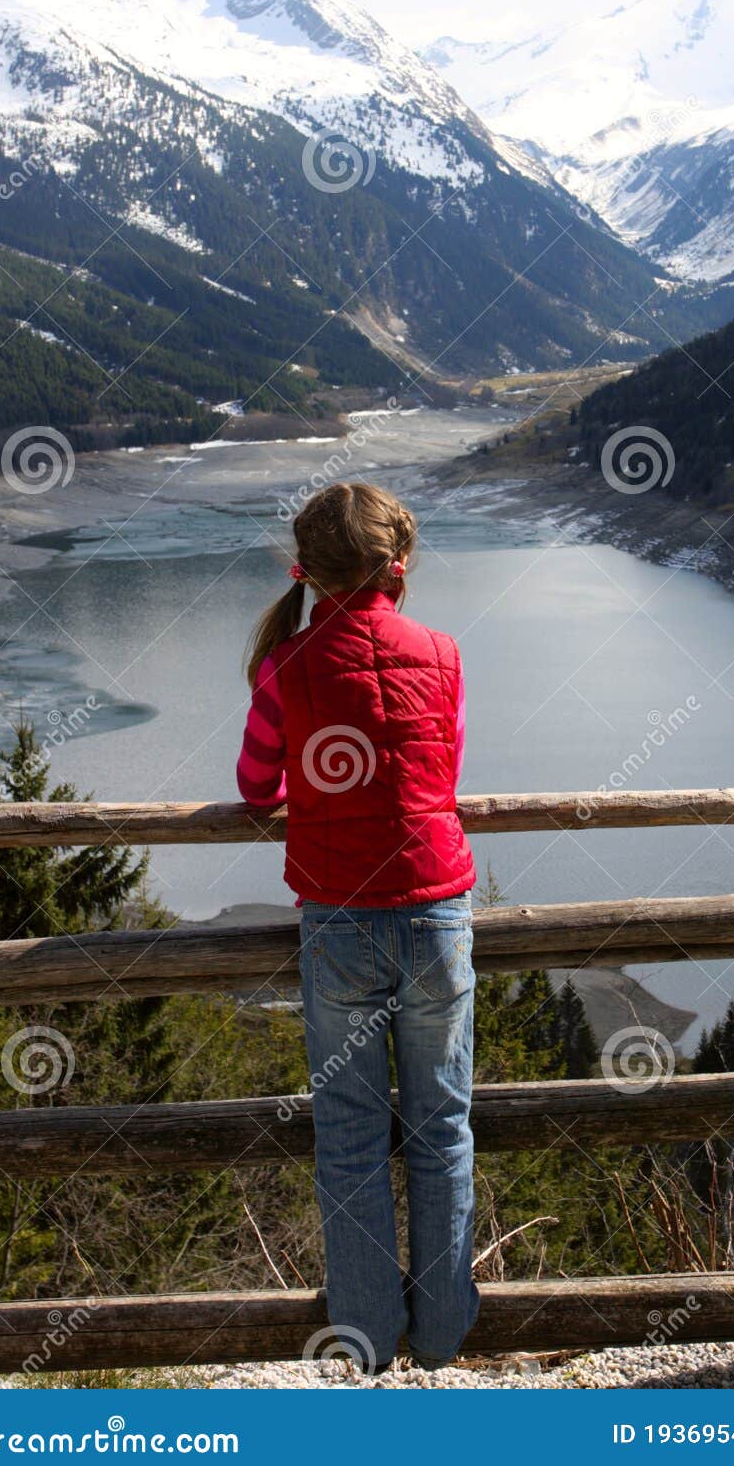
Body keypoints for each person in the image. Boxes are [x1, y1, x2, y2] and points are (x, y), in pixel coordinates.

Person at [236, 480, 479, 1372]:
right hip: (437, 910)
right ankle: (445, 1333)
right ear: (398, 568)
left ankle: (366, 1339)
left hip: (338, 920)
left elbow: (257, 786)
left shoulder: (284, 667)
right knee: (440, 1126)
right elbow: (438, 777)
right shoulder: (442, 655)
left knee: (347, 1136)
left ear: (304, 571)